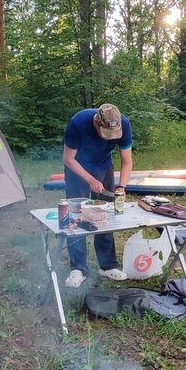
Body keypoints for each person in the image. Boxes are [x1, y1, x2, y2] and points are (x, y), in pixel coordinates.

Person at [62, 103, 133, 288]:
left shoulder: (123, 124)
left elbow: (127, 161)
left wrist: (121, 187)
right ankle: (78, 268)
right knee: (75, 217)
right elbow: (68, 158)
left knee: (106, 214)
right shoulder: (78, 122)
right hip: (77, 168)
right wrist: (89, 178)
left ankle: (107, 265)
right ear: (96, 121)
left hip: (103, 166)